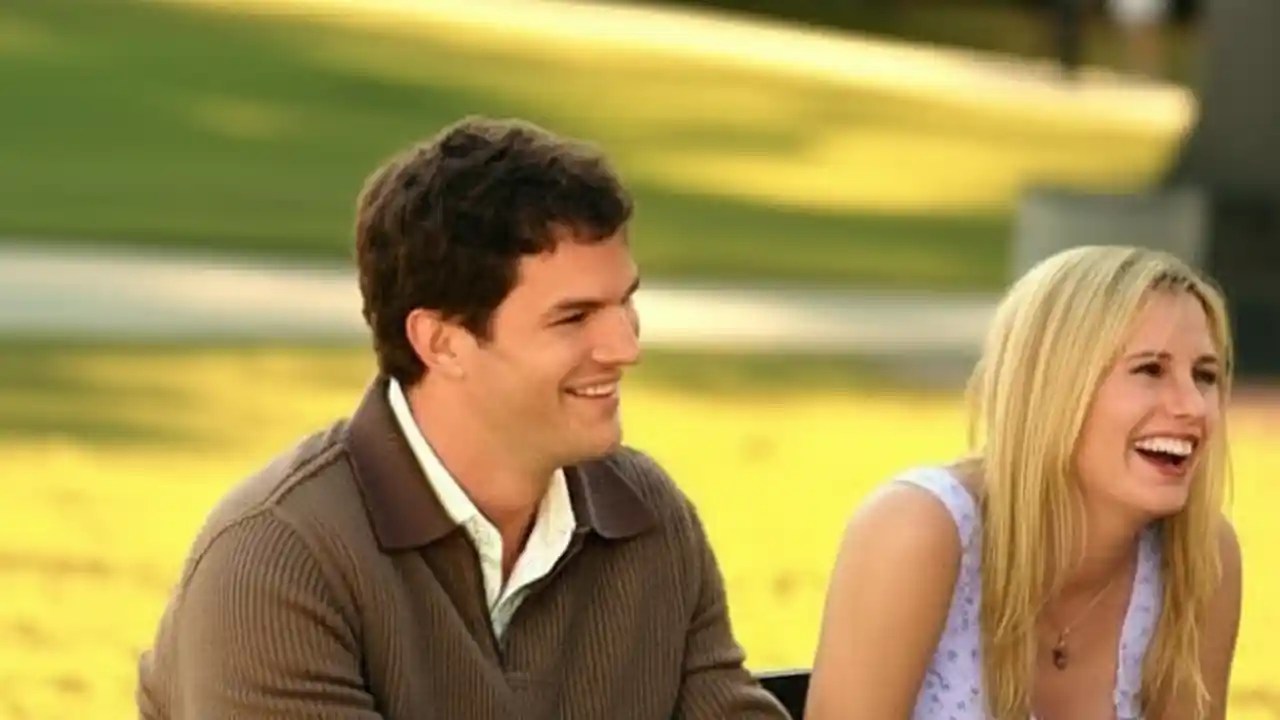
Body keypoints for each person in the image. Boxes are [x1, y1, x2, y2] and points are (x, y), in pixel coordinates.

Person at [135, 116, 789, 719]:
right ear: (442, 342)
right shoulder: (278, 562)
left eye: (625, 303)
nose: (626, 348)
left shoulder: (646, 516)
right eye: (574, 317)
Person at [807, 246, 1242, 719]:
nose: (1193, 407)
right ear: (1053, 386)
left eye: (1205, 376)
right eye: (1150, 370)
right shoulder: (917, 532)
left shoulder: (1199, 556)